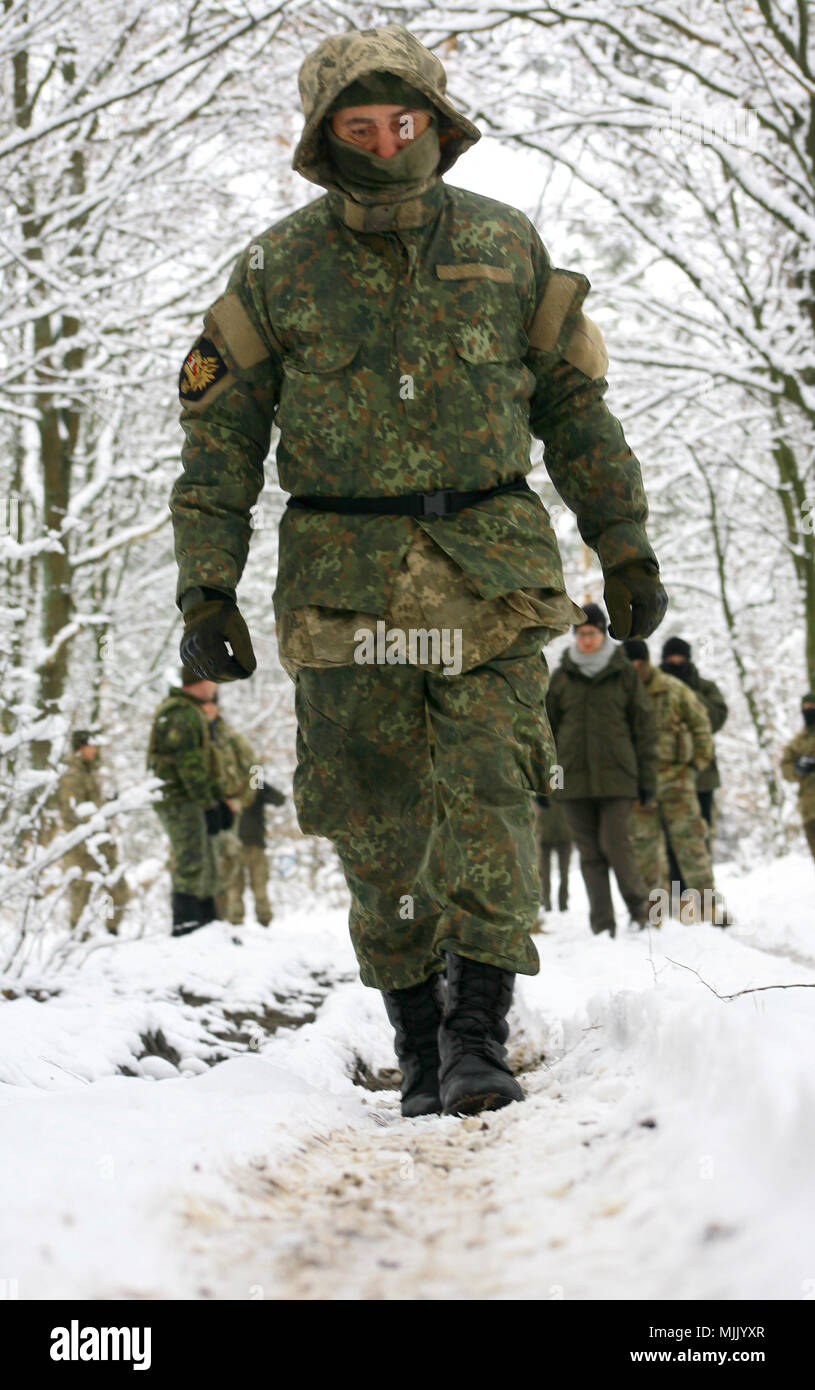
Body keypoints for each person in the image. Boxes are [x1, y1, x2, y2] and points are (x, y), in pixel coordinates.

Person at [171, 26, 667, 1117]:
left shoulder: (504, 246)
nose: (388, 143)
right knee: (373, 810)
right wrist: (205, 586)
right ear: (323, 138)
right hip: (344, 591)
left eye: (406, 123)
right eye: (361, 126)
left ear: (438, 126)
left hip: (488, 577)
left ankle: (479, 1026)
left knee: (492, 782)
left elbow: (574, 409)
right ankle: (416, 1037)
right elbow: (218, 443)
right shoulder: (275, 269)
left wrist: (621, 542)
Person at [547, 603, 657, 937]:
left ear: (602, 633)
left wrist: (647, 779)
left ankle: (640, 912)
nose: (587, 639)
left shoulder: (623, 673)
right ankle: (602, 925)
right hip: (574, 780)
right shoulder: (562, 676)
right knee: (591, 855)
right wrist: (547, 781)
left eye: (592, 633)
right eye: (580, 634)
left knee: (616, 845)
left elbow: (644, 727)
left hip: (617, 777)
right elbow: (548, 730)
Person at [623, 640, 728, 924]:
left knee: (691, 843)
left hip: (678, 780)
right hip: (640, 782)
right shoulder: (624, 691)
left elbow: (703, 725)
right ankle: (652, 914)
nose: (634, 669)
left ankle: (708, 908)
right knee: (645, 849)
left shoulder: (675, 689)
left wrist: (695, 766)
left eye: (638, 663)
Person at [146, 669, 234, 935]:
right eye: (212, 680)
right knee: (191, 861)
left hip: (190, 798)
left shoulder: (188, 710)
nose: (215, 687)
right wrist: (209, 804)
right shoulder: (181, 713)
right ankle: (186, 930)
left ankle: (206, 930)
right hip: (181, 800)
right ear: (200, 681)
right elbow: (189, 764)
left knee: (205, 861)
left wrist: (215, 801)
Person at [54, 730, 129, 934]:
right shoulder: (72, 774)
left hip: (99, 841)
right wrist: (104, 806)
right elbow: (73, 811)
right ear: (81, 748)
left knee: (112, 886)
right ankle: (79, 935)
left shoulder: (87, 771)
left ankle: (110, 928)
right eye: (91, 746)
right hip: (80, 844)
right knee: (82, 891)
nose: (95, 750)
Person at [661, 635, 727, 853]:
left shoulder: (705, 687)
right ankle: (675, 887)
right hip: (665, 775)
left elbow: (716, 719)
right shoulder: (656, 687)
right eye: (671, 658)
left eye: (680, 658)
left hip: (702, 776)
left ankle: (701, 886)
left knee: (701, 835)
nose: (676, 662)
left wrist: (689, 695)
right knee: (668, 841)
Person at [199, 691, 256, 923]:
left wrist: (242, 800)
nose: (206, 710)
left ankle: (222, 920)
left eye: (210, 705)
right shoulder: (192, 736)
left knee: (226, 861)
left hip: (227, 810)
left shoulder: (232, 739)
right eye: (202, 705)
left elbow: (255, 772)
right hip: (199, 809)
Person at [235, 779, 286, 926]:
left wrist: (260, 785)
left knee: (259, 885)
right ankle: (235, 921)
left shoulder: (255, 785)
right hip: (235, 844)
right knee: (235, 887)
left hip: (255, 844)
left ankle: (264, 920)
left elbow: (279, 800)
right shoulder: (226, 783)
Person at [780, 692, 815, 864]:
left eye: (812, 707)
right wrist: (799, 769)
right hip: (809, 807)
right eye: (805, 708)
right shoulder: (798, 742)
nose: (808, 711)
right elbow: (785, 767)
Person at [534, 792, 572, 915]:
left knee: (564, 872)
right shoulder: (540, 784)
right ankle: (546, 904)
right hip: (545, 836)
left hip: (565, 836)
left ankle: (563, 904)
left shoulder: (566, 785)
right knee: (544, 873)